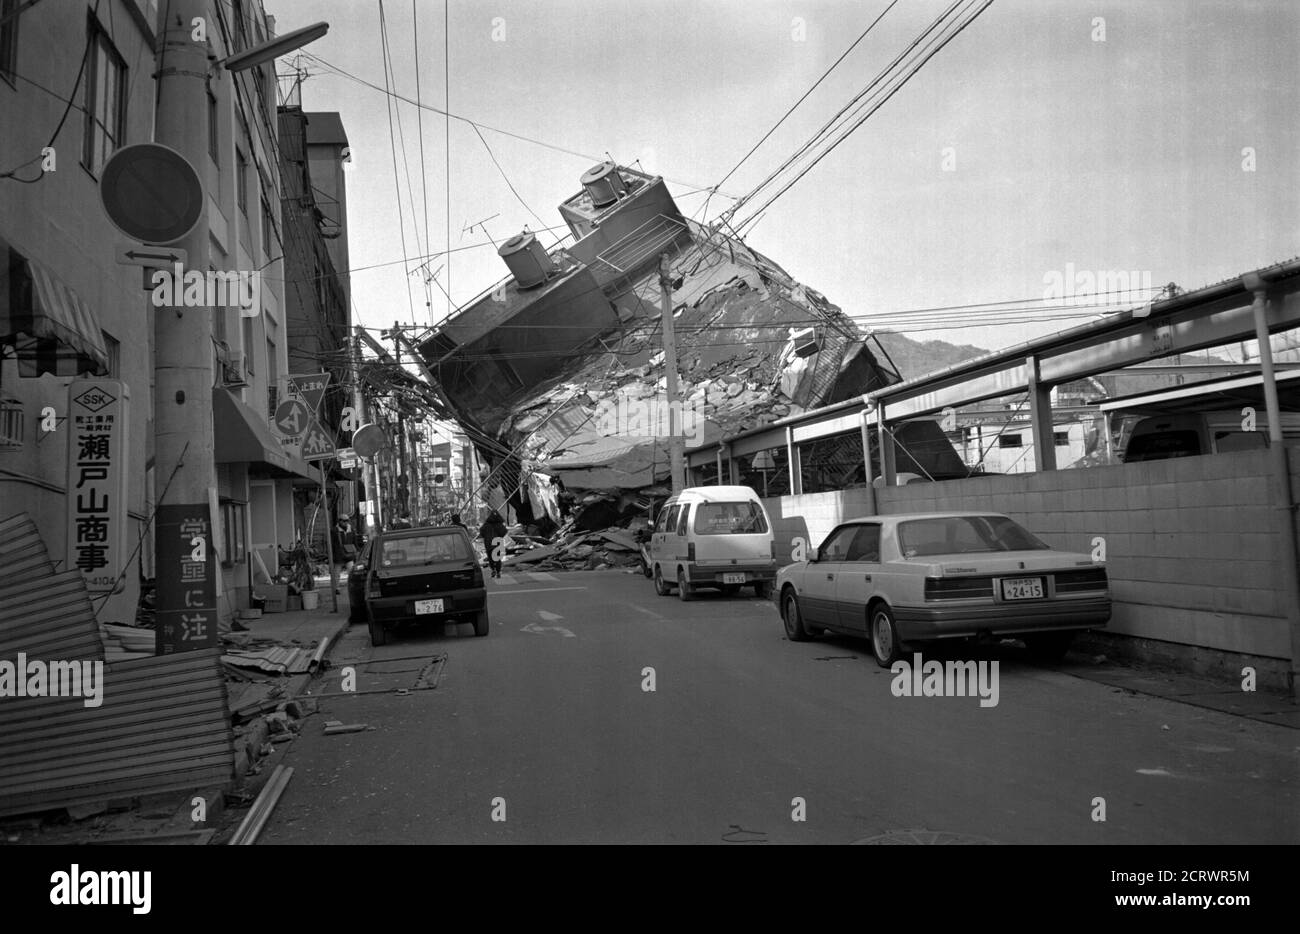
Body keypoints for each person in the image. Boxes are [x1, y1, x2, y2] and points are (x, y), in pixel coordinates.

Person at [479, 511, 508, 578]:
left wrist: (486, 536)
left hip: (488, 543)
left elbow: (482, 532)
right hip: (498, 542)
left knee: (490, 558)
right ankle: (498, 572)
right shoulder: (499, 524)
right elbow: (504, 532)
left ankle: (493, 570)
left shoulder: (486, 525)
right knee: (497, 558)